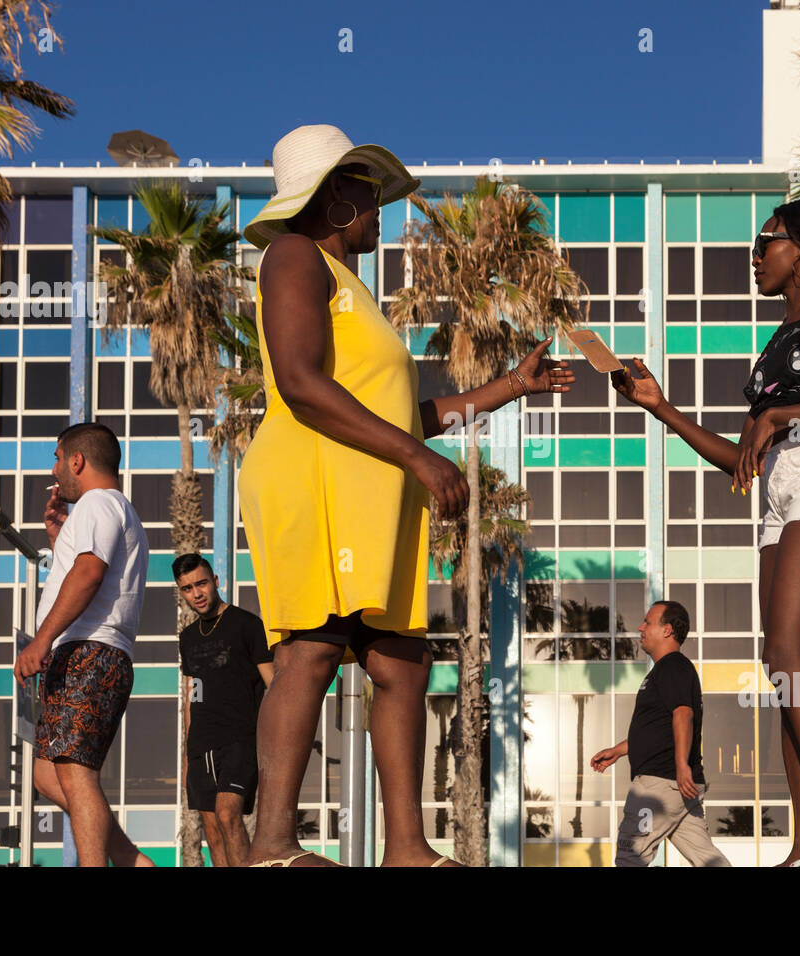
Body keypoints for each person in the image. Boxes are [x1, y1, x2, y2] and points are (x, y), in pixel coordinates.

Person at [237, 124, 574, 867]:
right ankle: (270, 847)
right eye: (366, 189)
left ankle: (406, 850)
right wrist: (419, 459)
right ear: (330, 199)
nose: (379, 205)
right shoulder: (292, 257)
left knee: (400, 663)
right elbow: (298, 381)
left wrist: (511, 386)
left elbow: (404, 417)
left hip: (371, 487)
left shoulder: (353, 286)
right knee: (314, 648)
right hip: (312, 477)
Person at [612, 198, 800, 867]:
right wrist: (661, 408)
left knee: (792, 658)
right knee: (787, 669)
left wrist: (783, 418)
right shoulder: (775, 348)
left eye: (765, 243)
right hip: (776, 495)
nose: (755, 257)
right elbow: (738, 457)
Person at [14, 422, 153, 867]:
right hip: (87, 655)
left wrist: (42, 639)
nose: (55, 471)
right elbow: (83, 567)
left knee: (75, 774)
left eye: (57, 458)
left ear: (77, 460)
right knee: (48, 776)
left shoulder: (98, 503)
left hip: (88, 653)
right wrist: (59, 540)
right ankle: (131, 861)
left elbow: (89, 573)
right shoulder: (107, 510)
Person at [591, 601, 730, 867]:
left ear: (667, 630)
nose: (640, 627)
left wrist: (680, 766)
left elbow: (683, 715)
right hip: (676, 785)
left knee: (631, 855)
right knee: (707, 859)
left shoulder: (673, 666)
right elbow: (659, 729)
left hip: (661, 783)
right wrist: (618, 751)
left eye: (647, 622)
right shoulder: (666, 670)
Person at [173, 552, 274, 867]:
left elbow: (273, 685)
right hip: (202, 744)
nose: (197, 594)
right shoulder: (188, 638)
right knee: (213, 832)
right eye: (188, 588)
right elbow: (193, 693)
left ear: (215, 582)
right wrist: (189, 754)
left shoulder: (246, 624)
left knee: (229, 815)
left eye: (201, 584)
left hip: (241, 738)